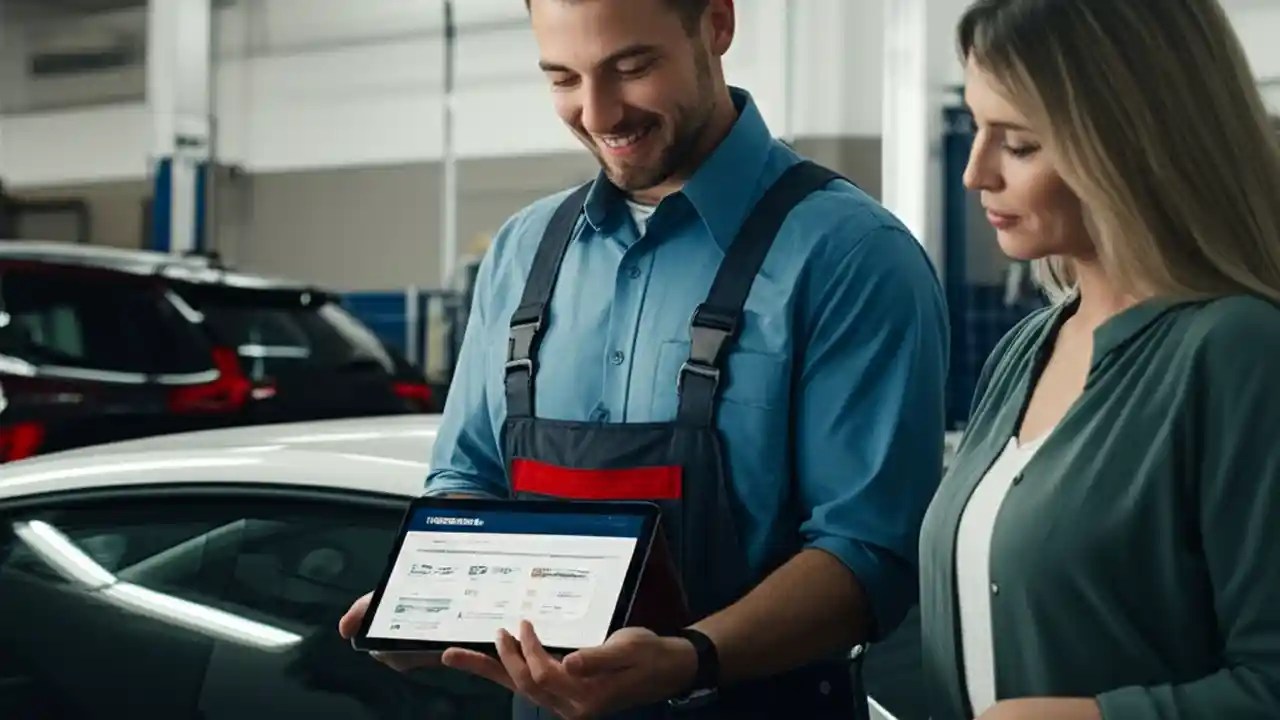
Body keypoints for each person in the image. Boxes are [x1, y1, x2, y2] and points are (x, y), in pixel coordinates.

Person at [338, 0, 949, 717]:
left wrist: (690, 659)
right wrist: (433, 599)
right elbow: (468, 473)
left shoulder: (850, 256)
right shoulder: (522, 251)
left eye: (631, 68)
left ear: (716, 25)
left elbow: (869, 551)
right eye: (563, 78)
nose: (598, 113)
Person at [917, 0, 1280, 719]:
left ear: (1128, 145)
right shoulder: (1027, 347)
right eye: (977, 127)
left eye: (1018, 144)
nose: (975, 174)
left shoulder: (1238, 352)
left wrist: (1094, 717)